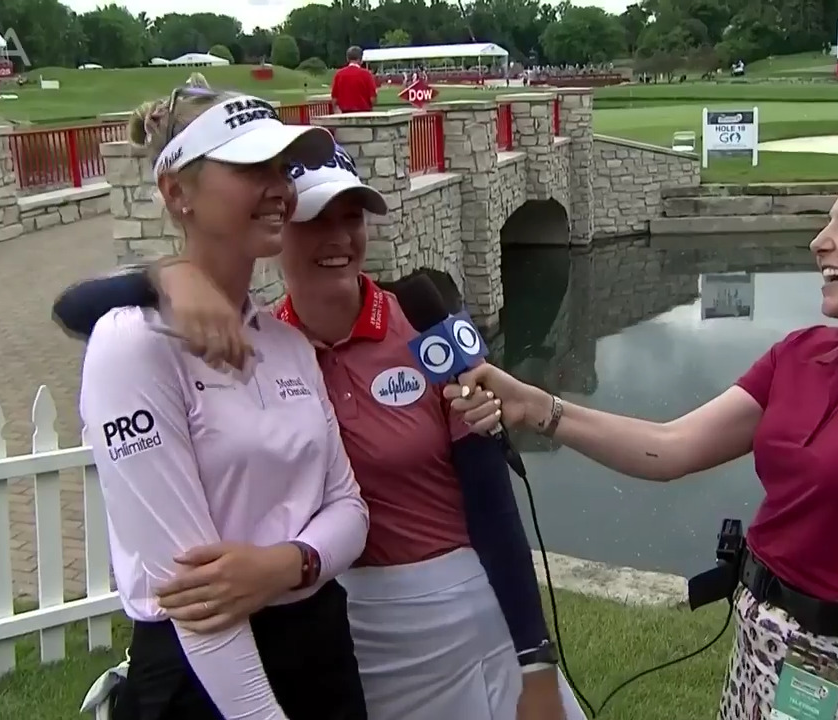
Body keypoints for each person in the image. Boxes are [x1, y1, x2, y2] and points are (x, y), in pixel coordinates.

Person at [54, 89, 584, 720]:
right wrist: (164, 275)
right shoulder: (176, 340)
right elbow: (193, 591)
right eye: (314, 217)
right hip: (280, 650)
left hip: (354, 632)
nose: (337, 236)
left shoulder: (385, 329)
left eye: (351, 215)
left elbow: (412, 505)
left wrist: (534, 660)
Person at [447, 159, 838, 720]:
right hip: (761, 656)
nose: (820, 242)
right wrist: (536, 406)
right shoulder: (801, 356)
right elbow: (670, 447)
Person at [77, 79, 371, 719]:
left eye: (281, 168)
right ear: (176, 192)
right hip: (201, 676)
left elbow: (349, 507)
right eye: (250, 167)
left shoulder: (288, 343)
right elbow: (195, 594)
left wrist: (287, 564)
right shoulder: (131, 346)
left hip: (319, 645)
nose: (279, 187)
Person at [331, 46, 377, 113]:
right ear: (360, 59)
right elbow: (373, 99)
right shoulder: (366, 74)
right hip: (364, 113)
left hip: (345, 113)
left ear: (347, 59)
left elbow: (334, 97)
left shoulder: (339, 74)